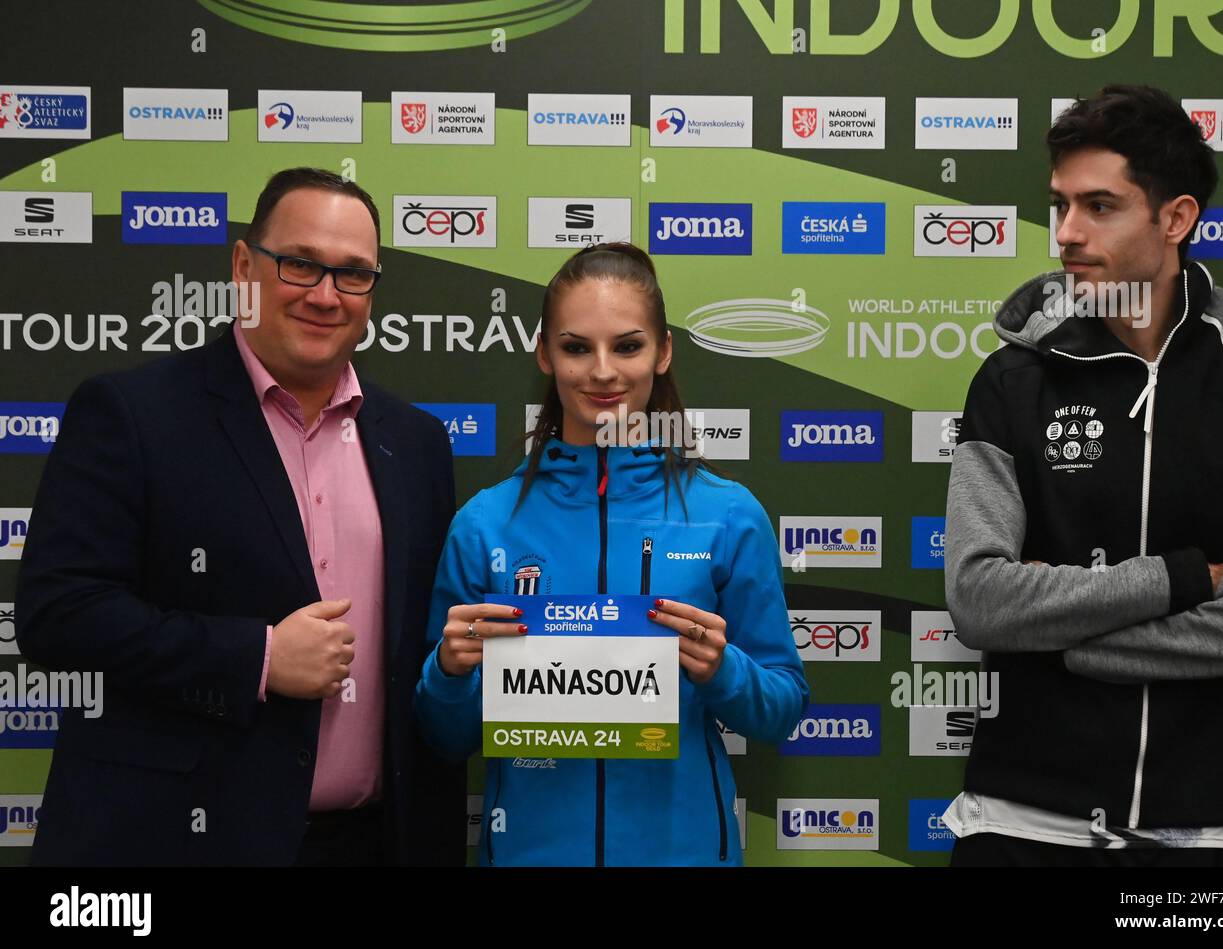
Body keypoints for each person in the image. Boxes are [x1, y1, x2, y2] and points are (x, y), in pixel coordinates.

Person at [17, 167, 465, 865]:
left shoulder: (416, 443)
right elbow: (58, 612)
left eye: (353, 275)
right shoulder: (133, 415)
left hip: (371, 846)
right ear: (243, 265)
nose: (325, 295)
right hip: (179, 845)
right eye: (300, 264)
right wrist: (255, 657)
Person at [942, 85, 1223, 866]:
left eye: (1099, 206)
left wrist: (1074, 639)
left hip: (1202, 835)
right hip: (1021, 824)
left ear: (1175, 219)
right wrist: (1188, 578)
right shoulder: (1010, 384)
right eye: (1060, 205)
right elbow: (979, 600)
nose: (1066, 233)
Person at [413, 242, 809, 866]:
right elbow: (443, 736)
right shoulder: (485, 524)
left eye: (627, 345)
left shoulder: (727, 516)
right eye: (576, 347)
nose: (602, 372)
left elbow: (783, 709)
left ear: (664, 350)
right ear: (545, 353)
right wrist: (449, 672)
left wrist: (720, 669)